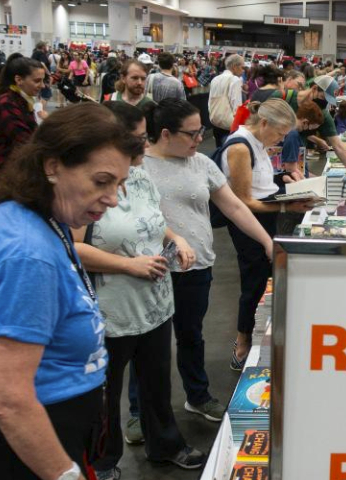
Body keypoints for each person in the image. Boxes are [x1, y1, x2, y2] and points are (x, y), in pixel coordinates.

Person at [0, 103, 140, 480]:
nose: (113, 198)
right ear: (52, 166)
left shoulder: (49, 222)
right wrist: (64, 474)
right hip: (34, 451)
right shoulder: (30, 253)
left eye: (119, 184)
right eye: (101, 181)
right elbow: (10, 399)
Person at [73, 102, 204, 478]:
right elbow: (74, 248)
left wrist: (176, 238)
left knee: (156, 383)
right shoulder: (88, 184)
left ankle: (165, 444)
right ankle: (103, 461)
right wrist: (129, 265)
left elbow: (153, 220)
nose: (143, 146)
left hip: (154, 301)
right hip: (111, 310)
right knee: (105, 394)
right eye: (135, 139)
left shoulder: (141, 174)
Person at [143, 98, 275, 422]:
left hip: (196, 265)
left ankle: (197, 396)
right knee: (145, 347)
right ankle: (138, 411)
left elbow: (233, 206)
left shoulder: (201, 164)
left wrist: (266, 240)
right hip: (150, 268)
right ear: (164, 134)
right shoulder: (137, 167)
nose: (199, 138)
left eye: (200, 130)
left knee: (191, 335)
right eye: (191, 133)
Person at [220, 99, 316, 368]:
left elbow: (260, 184)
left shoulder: (259, 143)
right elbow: (242, 201)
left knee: (265, 282)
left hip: (266, 218)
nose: (282, 140)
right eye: (280, 134)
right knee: (254, 283)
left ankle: (258, 335)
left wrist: (283, 182)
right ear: (264, 123)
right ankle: (242, 343)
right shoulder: (240, 147)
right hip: (250, 224)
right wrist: (287, 203)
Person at [0, 53, 46, 168]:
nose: (43, 86)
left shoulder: (22, 101)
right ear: (19, 80)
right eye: (37, 81)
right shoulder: (6, 104)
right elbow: (26, 141)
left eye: (43, 81)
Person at [209, 54, 246, 147]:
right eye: (242, 67)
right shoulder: (235, 80)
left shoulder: (215, 79)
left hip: (215, 120)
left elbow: (210, 101)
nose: (243, 70)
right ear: (234, 67)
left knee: (219, 149)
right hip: (229, 124)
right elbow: (237, 106)